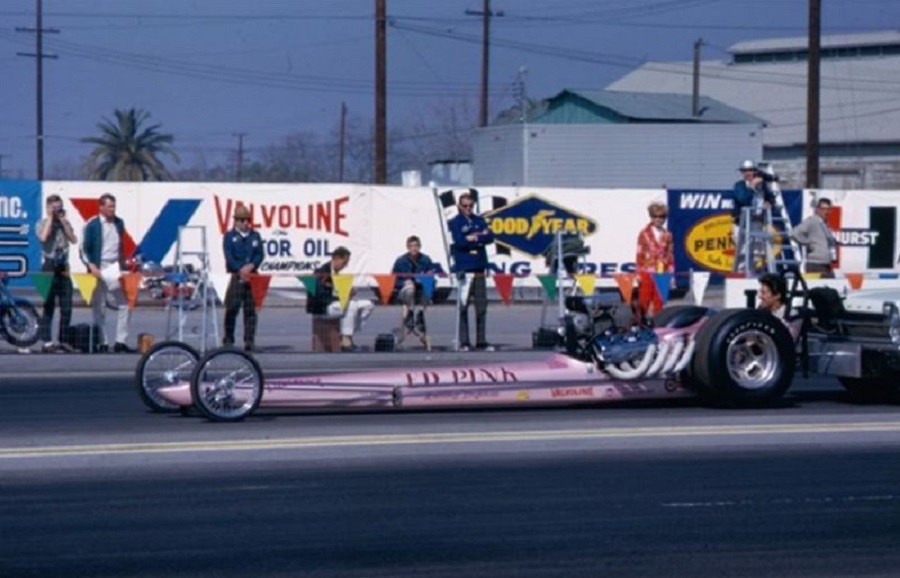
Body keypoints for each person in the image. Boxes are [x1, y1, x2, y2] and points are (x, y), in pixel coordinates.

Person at [81, 193, 134, 353]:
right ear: (101, 207)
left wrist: (124, 264)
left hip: (114, 267)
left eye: (114, 206)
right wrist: (92, 266)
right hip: (99, 266)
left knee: (124, 304)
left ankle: (120, 341)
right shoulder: (92, 225)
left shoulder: (119, 223)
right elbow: (83, 248)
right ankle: (102, 341)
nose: (112, 209)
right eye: (109, 206)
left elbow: (120, 245)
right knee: (99, 305)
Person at [448, 192, 495, 351]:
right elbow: (460, 242)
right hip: (464, 269)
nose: (468, 209)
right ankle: (464, 341)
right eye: (465, 206)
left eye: (470, 206)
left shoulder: (479, 220)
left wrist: (475, 238)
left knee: (481, 307)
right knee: (463, 306)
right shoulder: (455, 222)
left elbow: (489, 237)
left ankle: (481, 341)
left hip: (479, 268)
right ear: (460, 206)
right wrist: (474, 238)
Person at [308, 246, 374, 352]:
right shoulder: (322, 272)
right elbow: (320, 295)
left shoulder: (336, 274)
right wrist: (344, 295)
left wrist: (347, 292)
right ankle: (346, 343)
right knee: (351, 305)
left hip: (334, 303)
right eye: (344, 262)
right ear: (336, 258)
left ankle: (349, 335)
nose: (346, 266)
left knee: (367, 304)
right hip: (322, 308)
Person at [36, 195, 77, 353]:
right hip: (49, 265)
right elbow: (43, 237)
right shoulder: (41, 223)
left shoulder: (64, 223)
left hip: (63, 266)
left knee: (67, 305)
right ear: (48, 207)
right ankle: (47, 341)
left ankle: (64, 339)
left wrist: (63, 221)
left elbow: (73, 239)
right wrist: (51, 218)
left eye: (59, 207)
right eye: (54, 207)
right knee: (49, 305)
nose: (57, 210)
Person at [222, 204, 264, 352]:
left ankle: (249, 340)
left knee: (250, 310)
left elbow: (260, 254)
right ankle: (228, 338)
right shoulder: (229, 236)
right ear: (236, 221)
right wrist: (240, 269)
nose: (246, 223)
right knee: (232, 308)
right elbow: (228, 255)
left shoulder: (255, 236)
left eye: (248, 220)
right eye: (242, 220)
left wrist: (251, 266)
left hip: (252, 276)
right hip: (236, 276)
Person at [731, 160, 776, 272]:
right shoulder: (739, 186)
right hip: (742, 224)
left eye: (750, 170)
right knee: (743, 252)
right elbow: (743, 199)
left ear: (755, 171)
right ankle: (741, 278)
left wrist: (769, 202)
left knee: (757, 253)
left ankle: (753, 276)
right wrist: (751, 186)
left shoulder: (762, 185)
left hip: (757, 222)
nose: (747, 173)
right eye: (744, 171)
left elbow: (770, 197)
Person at [635, 201, 675, 318]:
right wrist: (638, 273)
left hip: (662, 273)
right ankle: (639, 327)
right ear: (651, 217)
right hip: (647, 272)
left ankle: (658, 329)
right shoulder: (644, 233)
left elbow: (670, 255)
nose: (658, 219)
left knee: (659, 304)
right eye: (655, 216)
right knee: (643, 302)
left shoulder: (668, 235)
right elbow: (639, 254)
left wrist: (670, 273)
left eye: (661, 217)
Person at [391, 235, 435, 334]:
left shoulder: (426, 259)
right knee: (410, 288)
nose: (414, 248)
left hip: (420, 290)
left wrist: (425, 279)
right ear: (407, 247)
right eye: (411, 246)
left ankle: (420, 313)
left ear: (420, 247)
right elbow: (392, 280)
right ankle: (410, 313)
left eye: (416, 246)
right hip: (405, 291)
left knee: (429, 288)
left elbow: (431, 275)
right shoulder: (401, 261)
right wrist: (403, 282)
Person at [791, 197, 838, 278]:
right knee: (818, 289)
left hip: (826, 264)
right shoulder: (812, 221)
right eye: (823, 209)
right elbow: (794, 233)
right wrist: (808, 243)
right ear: (817, 209)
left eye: (828, 209)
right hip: (815, 264)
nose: (825, 212)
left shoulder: (825, 224)